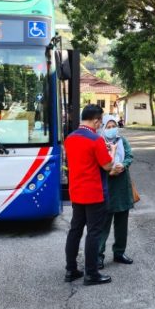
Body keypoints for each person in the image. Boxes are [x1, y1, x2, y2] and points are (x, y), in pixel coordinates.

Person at [64, 104, 114, 285]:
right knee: (94, 233)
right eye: (100, 121)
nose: (100, 125)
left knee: (75, 230)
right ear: (95, 120)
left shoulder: (69, 138)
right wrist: (112, 152)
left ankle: (71, 270)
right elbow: (107, 166)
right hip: (94, 193)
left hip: (76, 192)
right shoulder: (95, 140)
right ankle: (91, 273)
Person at [97, 115, 135, 266]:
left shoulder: (122, 140)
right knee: (103, 224)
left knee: (122, 223)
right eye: (108, 127)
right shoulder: (99, 143)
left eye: (114, 126)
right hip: (107, 185)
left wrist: (123, 165)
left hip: (122, 184)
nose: (112, 130)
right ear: (103, 128)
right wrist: (109, 169)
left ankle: (119, 252)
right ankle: (98, 255)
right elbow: (98, 162)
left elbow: (130, 155)